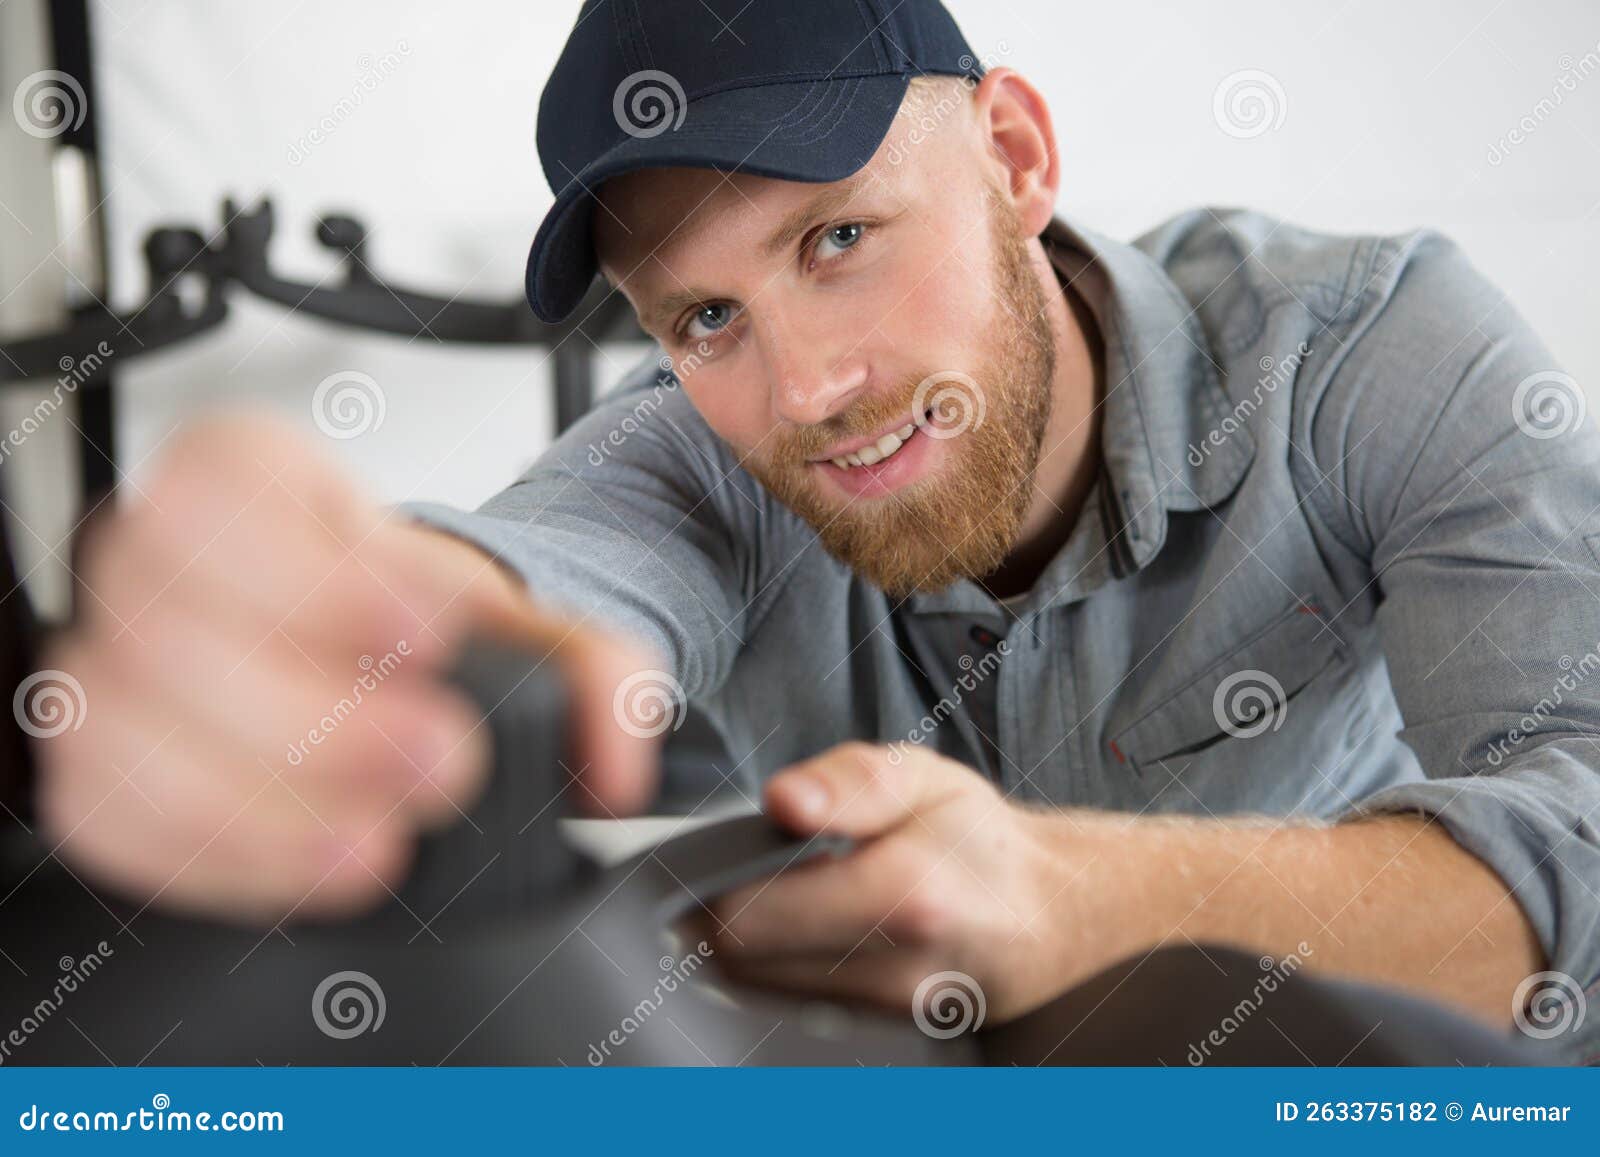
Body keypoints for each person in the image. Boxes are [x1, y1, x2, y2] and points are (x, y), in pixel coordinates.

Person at [7, 0, 1596, 1062]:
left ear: (1017, 157)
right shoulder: (698, 453)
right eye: (706, 315)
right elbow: (523, 572)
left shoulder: (1375, 353)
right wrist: (321, 633)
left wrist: (1090, 894)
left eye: (840, 236)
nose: (809, 389)